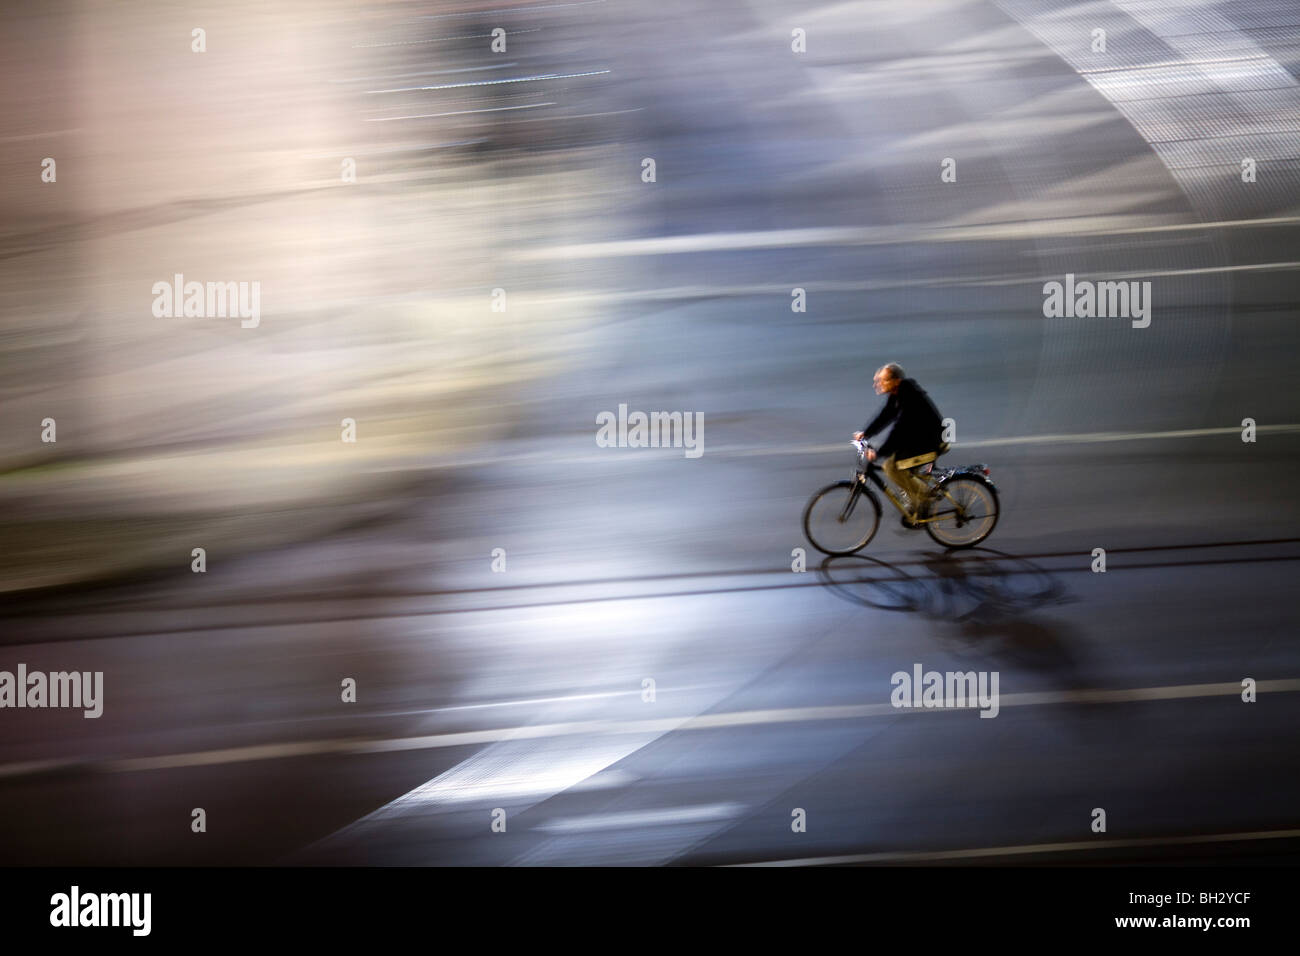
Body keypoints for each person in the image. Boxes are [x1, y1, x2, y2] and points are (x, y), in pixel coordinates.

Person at [853, 363, 946, 527]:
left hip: (930, 442)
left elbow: (899, 429)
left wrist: (879, 452)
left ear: (896, 381)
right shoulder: (898, 393)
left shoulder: (910, 396)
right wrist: (866, 432)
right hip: (918, 440)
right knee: (891, 466)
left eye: (882, 381)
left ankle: (925, 497)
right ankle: (916, 500)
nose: (877, 384)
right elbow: (886, 415)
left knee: (893, 468)